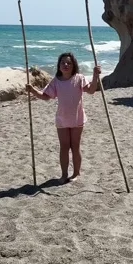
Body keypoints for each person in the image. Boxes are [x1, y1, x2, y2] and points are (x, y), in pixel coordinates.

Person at [26, 52, 101, 182]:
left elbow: (91, 90)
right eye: (63, 63)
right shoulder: (56, 81)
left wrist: (95, 76)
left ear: (73, 65)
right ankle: (64, 174)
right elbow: (45, 96)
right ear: (59, 66)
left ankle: (76, 173)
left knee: (75, 146)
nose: (66, 65)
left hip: (77, 118)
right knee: (64, 147)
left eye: (69, 63)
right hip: (62, 118)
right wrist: (33, 91)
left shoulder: (79, 78)